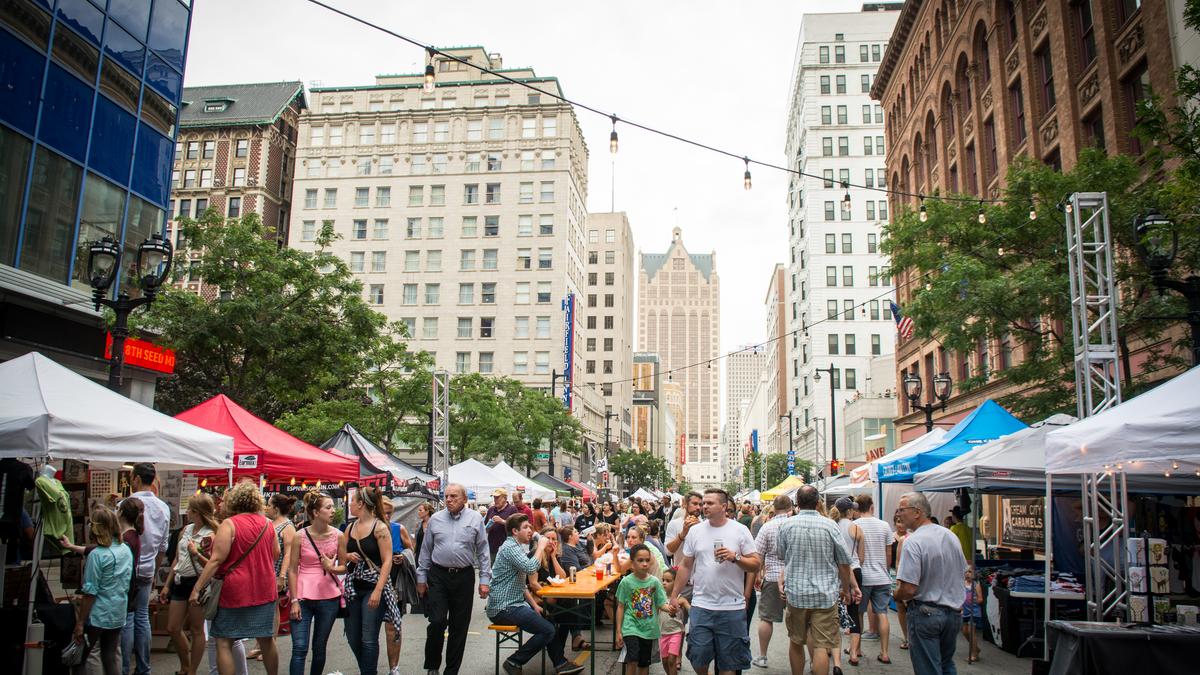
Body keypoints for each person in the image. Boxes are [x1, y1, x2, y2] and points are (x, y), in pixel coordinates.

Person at [191, 482, 280, 675]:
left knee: (224, 641)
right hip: (265, 588)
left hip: (235, 590)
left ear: (234, 500)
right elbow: (276, 553)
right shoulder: (267, 524)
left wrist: (197, 588)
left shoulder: (229, 524)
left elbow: (216, 560)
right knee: (266, 639)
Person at [669, 489, 760, 675]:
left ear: (724, 507)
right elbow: (686, 565)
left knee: (729, 663)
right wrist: (673, 595)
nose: (704, 507)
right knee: (697, 656)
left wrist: (736, 558)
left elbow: (756, 564)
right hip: (702, 605)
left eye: (710, 503)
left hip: (731, 607)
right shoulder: (695, 531)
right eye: (703, 503)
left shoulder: (739, 530)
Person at [776, 486, 861, 675]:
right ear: (817, 503)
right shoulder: (830, 525)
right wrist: (846, 589)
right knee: (822, 645)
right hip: (825, 595)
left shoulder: (786, 526)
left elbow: (781, 555)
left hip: (796, 594)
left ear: (797, 503)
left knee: (796, 641)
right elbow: (844, 562)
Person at [486, 514, 584, 675]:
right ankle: (514, 661)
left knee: (549, 619)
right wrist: (540, 547)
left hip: (515, 604)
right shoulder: (510, 547)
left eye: (530, 527)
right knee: (548, 630)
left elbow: (522, 584)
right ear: (514, 531)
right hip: (504, 608)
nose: (530, 530)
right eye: (525, 527)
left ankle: (560, 663)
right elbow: (531, 569)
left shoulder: (516, 547)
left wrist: (534, 606)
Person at [417, 483, 492, 675]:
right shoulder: (435, 519)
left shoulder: (476, 519)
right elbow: (426, 550)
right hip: (438, 575)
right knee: (437, 621)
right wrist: (421, 577)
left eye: (453, 496)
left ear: (465, 499)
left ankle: (451, 671)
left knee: (459, 627)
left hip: (464, 577)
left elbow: (483, 550)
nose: (448, 500)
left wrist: (484, 580)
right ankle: (432, 665)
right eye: (446, 496)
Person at [893, 492, 968, 675]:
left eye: (902, 510)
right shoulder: (950, 536)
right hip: (952, 613)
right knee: (946, 664)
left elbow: (909, 588)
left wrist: (896, 594)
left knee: (928, 667)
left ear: (917, 512)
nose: (898, 514)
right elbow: (963, 572)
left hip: (926, 613)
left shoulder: (914, 541)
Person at [288, 491, 347, 675]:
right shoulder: (299, 536)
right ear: (315, 512)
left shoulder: (339, 535)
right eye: (328, 507)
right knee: (299, 647)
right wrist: (294, 600)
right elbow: (292, 569)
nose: (333, 511)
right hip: (303, 594)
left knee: (319, 647)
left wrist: (331, 567)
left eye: (332, 507)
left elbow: (344, 567)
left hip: (328, 595)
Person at [343, 486, 400, 675]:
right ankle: (368, 671)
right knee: (352, 637)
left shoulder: (380, 527)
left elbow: (387, 561)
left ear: (361, 504)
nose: (349, 504)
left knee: (368, 638)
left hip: (373, 588)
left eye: (352, 501)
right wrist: (347, 556)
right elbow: (341, 555)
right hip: (353, 587)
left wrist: (377, 590)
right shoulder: (350, 527)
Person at [161, 494, 218, 675]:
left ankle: (191, 670)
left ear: (197, 512)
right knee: (173, 627)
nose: (187, 512)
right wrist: (167, 584)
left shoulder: (210, 534)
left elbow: (211, 564)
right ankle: (185, 664)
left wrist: (196, 553)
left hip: (197, 582)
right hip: (180, 580)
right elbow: (177, 559)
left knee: (196, 629)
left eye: (190, 509)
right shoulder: (186, 530)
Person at [72, 508, 134, 675]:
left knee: (79, 659)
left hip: (98, 614)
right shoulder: (125, 550)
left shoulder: (97, 555)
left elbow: (90, 592)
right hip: (118, 611)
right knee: (110, 656)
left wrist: (80, 622)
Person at [124, 463, 170, 675]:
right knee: (142, 616)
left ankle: (124, 667)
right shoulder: (163, 507)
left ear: (136, 478)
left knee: (128, 618)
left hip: (126, 568)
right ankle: (143, 668)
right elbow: (163, 546)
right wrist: (154, 568)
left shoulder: (126, 504)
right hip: (148, 566)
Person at [615, 544, 674, 675]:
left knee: (644, 662)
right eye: (640, 560)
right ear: (632, 562)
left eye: (647, 560)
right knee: (632, 658)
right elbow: (620, 606)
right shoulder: (626, 582)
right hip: (631, 627)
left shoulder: (654, 582)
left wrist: (670, 608)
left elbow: (661, 603)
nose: (645, 564)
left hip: (649, 629)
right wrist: (619, 631)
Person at [751, 494, 793, 670]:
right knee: (802, 622)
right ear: (790, 508)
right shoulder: (795, 524)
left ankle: (763, 656)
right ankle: (810, 659)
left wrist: (757, 575)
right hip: (795, 578)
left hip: (773, 577)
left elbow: (758, 554)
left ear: (774, 508)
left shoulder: (767, 527)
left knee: (766, 618)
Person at [853, 493, 895, 664]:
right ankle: (884, 652)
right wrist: (885, 570)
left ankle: (858, 649)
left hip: (862, 577)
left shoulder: (854, 526)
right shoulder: (885, 526)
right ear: (872, 506)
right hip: (881, 577)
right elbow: (889, 553)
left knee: (859, 613)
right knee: (882, 613)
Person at [379, 500, 413, 675]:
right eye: (382, 512)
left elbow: (410, 549)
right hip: (371, 584)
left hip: (394, 584)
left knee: (392, 627)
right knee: (368, 630)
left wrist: (403, 557)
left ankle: (394, 667)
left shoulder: (397, 529)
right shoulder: (365, 529)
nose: (385, 517)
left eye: (389, 513)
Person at [831, 497, 865, 666]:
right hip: (855, 570)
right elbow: (861, 556)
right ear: (850, 511)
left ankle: (831, 648)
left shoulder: (832, 526)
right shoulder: (856, 528)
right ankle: (853, 653)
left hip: (836, 571)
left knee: (833, 612)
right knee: (854, 612)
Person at [659, 567, 689, 675]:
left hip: (676, 633)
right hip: (662, 633)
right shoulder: (660, 598)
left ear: (676, 583)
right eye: (663, 580)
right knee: (665, 662)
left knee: (672, 660)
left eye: (668, 581)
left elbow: (689, 608)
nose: (664, 583)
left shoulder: (680, 599)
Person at [664, 492, 702, 564]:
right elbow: (668, 552)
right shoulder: (674, 524)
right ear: (685, 504)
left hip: (701, 573)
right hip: (680, 572)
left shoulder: (704, 525)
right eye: (694, 504)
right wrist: (682, 534)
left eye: (700, 505)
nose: (698, 507)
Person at [485, 488, 521, 559]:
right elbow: (485, 527)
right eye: (494, 498)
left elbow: (518, 526)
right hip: (492, 548)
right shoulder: (491, 509)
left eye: (497, 498)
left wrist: (502, 521)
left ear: (505, 498)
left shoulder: (512, 509)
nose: (495, 500)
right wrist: (487, 528)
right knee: (493, 569)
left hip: (508, 549)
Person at [892, 513, 910, 650]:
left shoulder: (910, 537)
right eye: (898, 522)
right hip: (895, 575)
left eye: (903, 522)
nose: (901, 524)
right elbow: (896, 561)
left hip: (910, 576)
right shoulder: (892, 537)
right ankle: (906, 637)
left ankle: (912, 636)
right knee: (900, 607)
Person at [961, 567, 983, 664]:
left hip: (974, 611)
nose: (968, 574)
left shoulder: (976, 585)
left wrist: (975, 601)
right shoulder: (962, 585)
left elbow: (980, 599)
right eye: (966, 572)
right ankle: (976, 648)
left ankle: (974, 654)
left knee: (971, 631)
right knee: (965, 632)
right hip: (965, 611)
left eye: (970, 572)